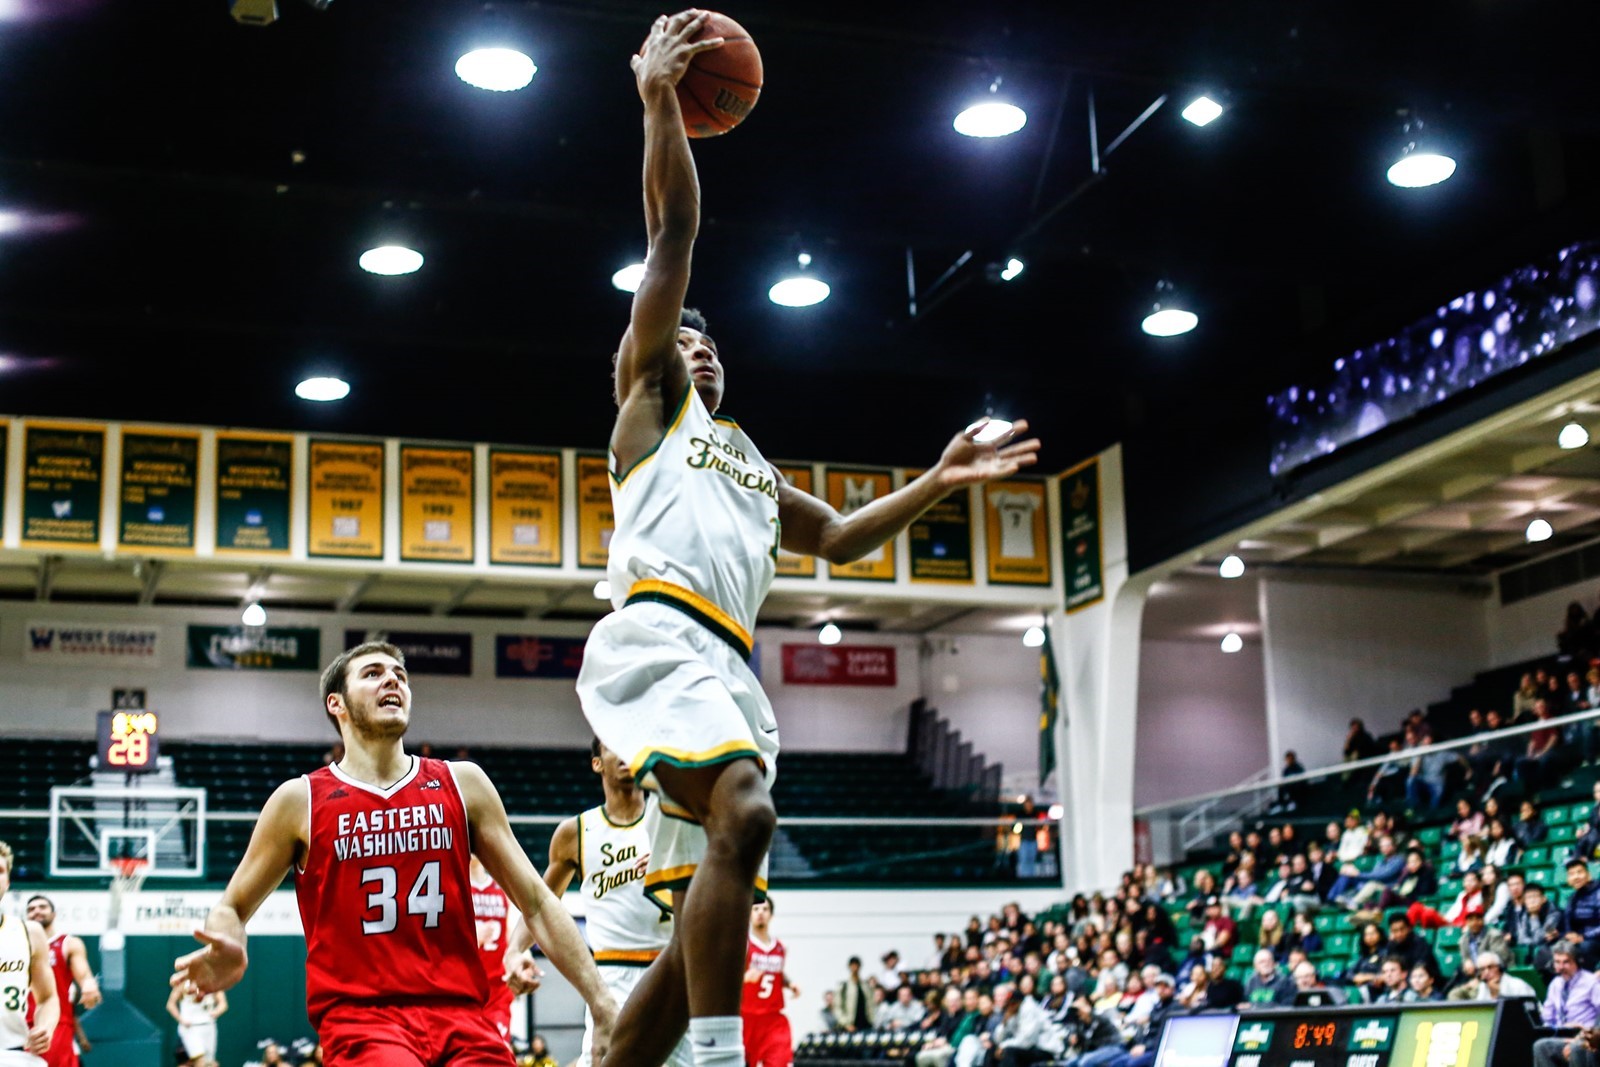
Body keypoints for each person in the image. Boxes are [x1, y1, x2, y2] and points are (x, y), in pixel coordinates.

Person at [573, 13, 1040, 1065]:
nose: (698, 343)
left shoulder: (745, 459)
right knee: (744, 806)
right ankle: (722, 1053)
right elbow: (671, 240)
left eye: (711, 340)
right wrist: (658, 104)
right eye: (683, 332)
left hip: (728, 665)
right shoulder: (650, 406)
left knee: (706, 896)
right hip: (655, 638)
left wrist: (939, 476)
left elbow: (835, 537)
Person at [168, 641, 618, 1067]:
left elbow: (538, 901)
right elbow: (231, 905)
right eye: (373, 673)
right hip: (362, 1021)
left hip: (464, 1017)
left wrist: (601, 1001)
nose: (393, 681)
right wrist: (228, 940)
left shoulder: (463, 785)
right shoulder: (299, 800)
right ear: (336, 704)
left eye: (400, 675)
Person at [512, 740, 685, 1067]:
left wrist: (669, 868)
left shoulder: (674, 820)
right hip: (610, 978)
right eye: (614, 744)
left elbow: (714, 888)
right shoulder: (575, 833)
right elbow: (539, 905)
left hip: (671, 970)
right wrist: (516, 950)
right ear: (597, 763)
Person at [22, 895, 101, 1067]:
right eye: (31, 909)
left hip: (54, 1023)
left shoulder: (68, 943)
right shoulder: (18, 944)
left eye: (42, 907)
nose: (36, 911)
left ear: (54, 914)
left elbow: (84, 974)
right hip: (18, 1025)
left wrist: (88, 984)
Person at [1, 841, 60, 1067]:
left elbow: (47, 998)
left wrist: (44, 1026)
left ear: (8, 881)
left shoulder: (30, 932)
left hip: (12, 1053)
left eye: (0, 871)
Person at [467, 855, 515, 1047]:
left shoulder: (501, 889)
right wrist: (472, 937)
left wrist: (521, 959)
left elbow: (510, 936)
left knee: (499, 1051)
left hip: (497, 991)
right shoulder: (454, 885)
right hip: (466, 990)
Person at [742, 900, 796, 1067]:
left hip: (773, 1018)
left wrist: (789, 984)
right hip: (747, 1017)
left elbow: (776, 973)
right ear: (749, 915)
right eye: (756, 909)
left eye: (765, 909)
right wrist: (744, 978)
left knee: (779, 1062)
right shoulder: (744, 945)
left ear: (771, 915)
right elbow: (725, 978)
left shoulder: (780, 947)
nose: (760, 913)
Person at [1533, 945, 1600, 1067]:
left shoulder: (1591, 982)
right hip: (1561, 1034)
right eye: (1557, 962)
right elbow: (1547, 1018)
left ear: (1577, 962)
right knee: (1541, 1046)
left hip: (1585, 1035)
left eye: (1566, 962)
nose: (1561, 967)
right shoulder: (1555, 984)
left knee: (1576, 1048)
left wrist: (1584, 1033)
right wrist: (1556, 1029)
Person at [166, 987, 226, 1067]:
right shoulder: (184, 983)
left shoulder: (213, 984)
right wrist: (181, 1019)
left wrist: (216, 1012)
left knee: (209, 1062)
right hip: (190, 1028)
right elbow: (170, 1004)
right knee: (199, 1058)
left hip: (208, 1027)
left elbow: (223, 1004)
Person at [1448, 951, 1535, 1001]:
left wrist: (1498, 994)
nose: (1486, 972)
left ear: (1500, 968)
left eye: (1490, 967)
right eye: (1482, 969)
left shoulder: (1517, 985)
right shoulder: (1483, 986)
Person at [835, 958, 876, 1032]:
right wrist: (846, 1024)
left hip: (866, 1025)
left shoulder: (866, 986)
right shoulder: (844, 986)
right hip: (850, 1026)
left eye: (856, 965)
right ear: (849, 967)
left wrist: (872, 1021)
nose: (855, 968)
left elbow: (871, 1004)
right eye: (852, 965)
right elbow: (837, 1008)